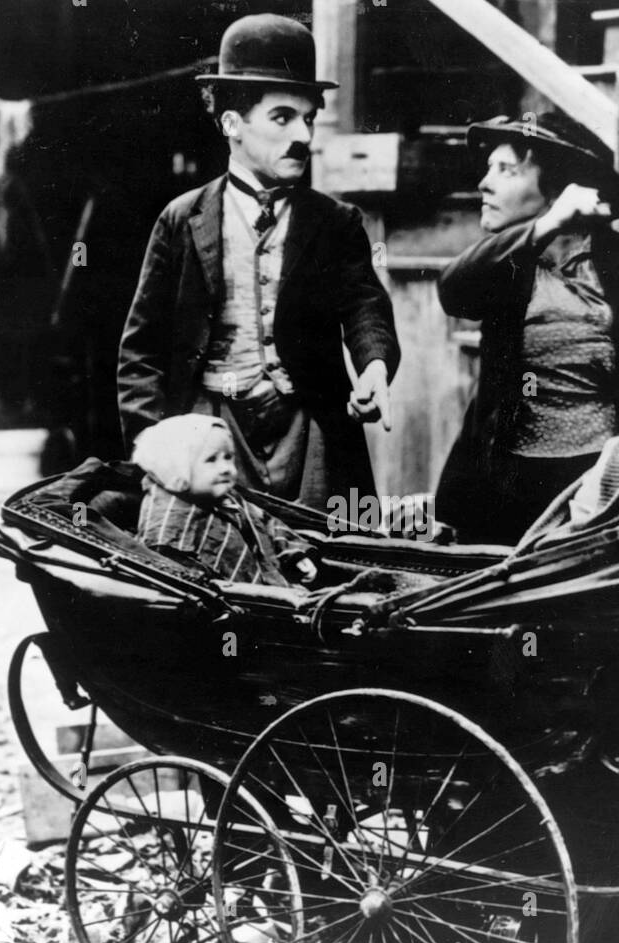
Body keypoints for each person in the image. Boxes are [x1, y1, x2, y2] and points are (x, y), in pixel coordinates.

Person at [118, 13, 400, 511]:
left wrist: (374, 367)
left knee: (323, 561)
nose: (303, 136)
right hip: (212, 428)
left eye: (309, 118)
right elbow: (141, 349)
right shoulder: (182, 220)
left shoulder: (335, 222)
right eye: (282, 118)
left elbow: (364, 306)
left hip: (308, 425)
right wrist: (155, 447)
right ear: (232, 123)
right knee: (214, 564)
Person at [434, 112, 619, 545]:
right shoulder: (506, 265)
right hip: (507, 490)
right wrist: (546, 225)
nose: (485, 183)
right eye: (488, 170)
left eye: (506, 170)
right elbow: (454, 293)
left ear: (559, 184)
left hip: (606, 489)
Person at [133, 414, 317, 588]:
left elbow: (265, 521)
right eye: (211, 460)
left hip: (274, 582)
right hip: (244, 606)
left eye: (228, 457)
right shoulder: (169, 531)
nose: (226, 468)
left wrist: (294, 554)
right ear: (177, 465)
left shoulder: (223, 496)